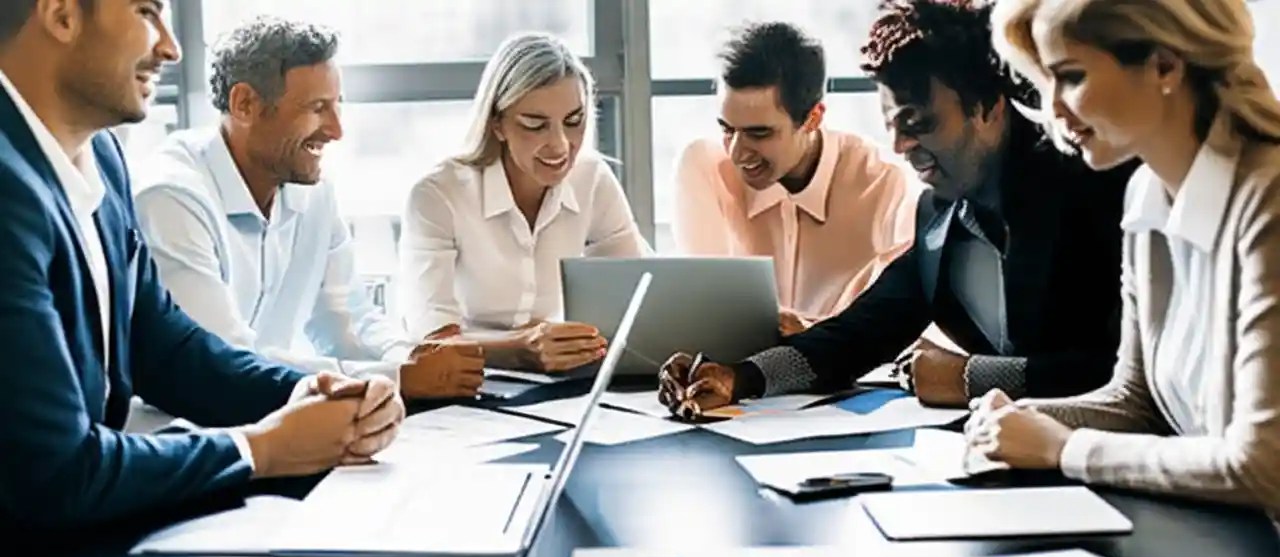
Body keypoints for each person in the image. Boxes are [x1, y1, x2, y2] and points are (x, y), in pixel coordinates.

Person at [0, 0, 403, 530]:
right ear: (62, 15)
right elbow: (54, 472)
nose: (170, 46)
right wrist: (264, 448)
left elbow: (165, 350)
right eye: (148, 12)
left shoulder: (101, 158)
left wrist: (304, 393)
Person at [657, 0, 1133, 417]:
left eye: (918, 123)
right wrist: (739, 378)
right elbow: (857, 335)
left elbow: (1126, 373)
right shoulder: (937, 217)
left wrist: (972, 377)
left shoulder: (1099, 193)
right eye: (892, 125)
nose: (901, 144)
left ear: (988, 108)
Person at [965, 0, 1280, 512]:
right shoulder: (1144, 196)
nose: (1055, 110)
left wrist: (1062, 447)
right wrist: (1020, 420)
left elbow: (1263, 467)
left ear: (1164, 65)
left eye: (1070, 77)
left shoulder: (1269, 201)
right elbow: (1137, 405)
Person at [133, 17, 483, 400]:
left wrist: (415, 357)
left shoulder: (312, 191)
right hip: (189, 430)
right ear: (245, 104)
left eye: (337, 106)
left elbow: (348, 323)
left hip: (278, 414)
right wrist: (397, 376)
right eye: (318, 108)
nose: (336, 130)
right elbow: (225, 362)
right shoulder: (171, 199)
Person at [399, 32, 649, 374]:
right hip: (463, 384)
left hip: (564, 380)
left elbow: (638, 297)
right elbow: (432, 342)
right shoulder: (437, 195)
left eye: (574, 122)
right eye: (536, 125)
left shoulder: (593, 179)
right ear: (497, 123)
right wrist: (520, 350)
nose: (560, 145)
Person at [674, 21, 917, 335]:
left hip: (844, 377)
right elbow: (701, 312)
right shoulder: (704, 169)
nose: (737, 153)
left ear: (813, 118)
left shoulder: (884, 184)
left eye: (758, 133)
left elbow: (898, 326)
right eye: (727, 129)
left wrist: (814, 334)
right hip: (734, 373)